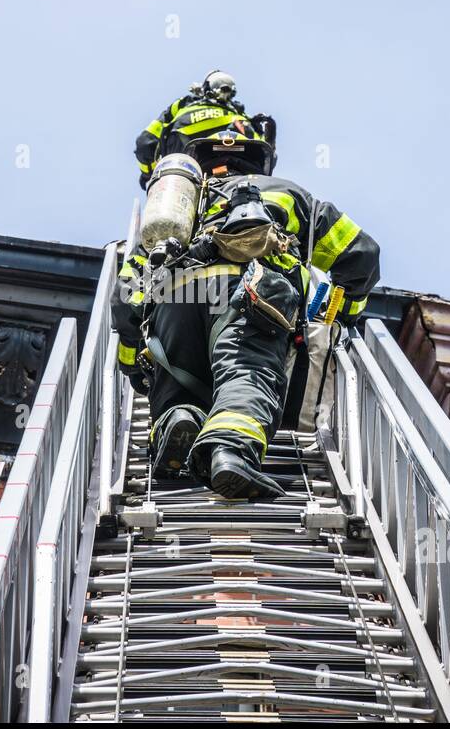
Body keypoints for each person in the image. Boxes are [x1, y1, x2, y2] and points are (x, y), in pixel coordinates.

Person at [112, 143, 380, 500]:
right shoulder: (288, 194)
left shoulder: (175, 209)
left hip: (173, 301)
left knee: (178, 387)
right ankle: (230, 451)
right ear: (260, 164)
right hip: (249, 293)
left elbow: (126, 296)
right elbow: (362, 255)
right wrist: (341, 312)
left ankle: (179, 421)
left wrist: (134, 366)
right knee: (245, 374)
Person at [133, 70, 274, 189]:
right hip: (247, 181)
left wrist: (148, 173)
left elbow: (145, 142)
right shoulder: (242, 120)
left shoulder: (181, 108)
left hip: (183, 180)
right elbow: (267, 156)